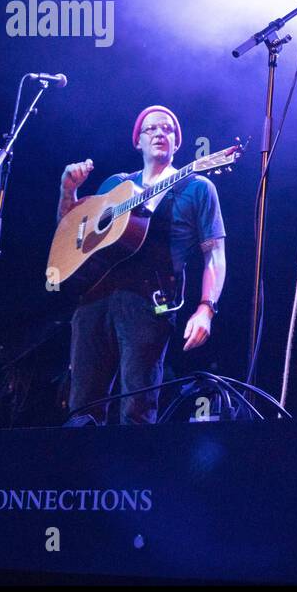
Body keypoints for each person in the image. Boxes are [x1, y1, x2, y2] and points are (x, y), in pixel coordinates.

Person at [58, 106, 226, 423]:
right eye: (151, 129)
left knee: (136, 409)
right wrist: (68, 191)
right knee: (81, 409)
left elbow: (214, 253)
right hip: (93, 301)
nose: (160, 133)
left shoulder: (198, 188)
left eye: (168, 129)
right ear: (138, 141)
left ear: (177, 142)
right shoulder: (116, 185)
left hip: (148, 303)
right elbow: (69, 234)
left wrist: (206, 307)